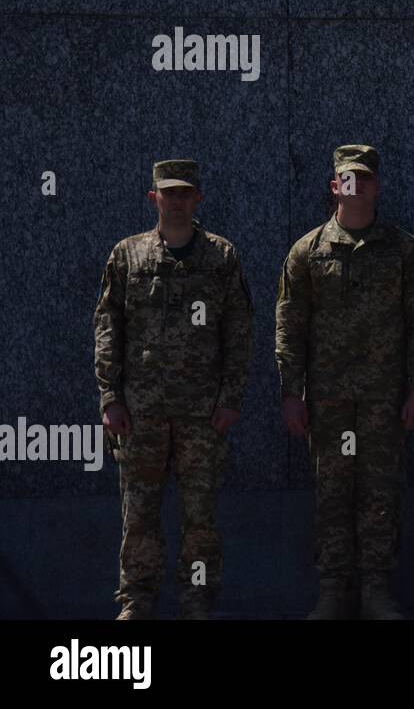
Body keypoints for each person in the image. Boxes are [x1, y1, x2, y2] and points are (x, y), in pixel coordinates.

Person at [275, 145, 414, 619]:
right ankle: (331, 591)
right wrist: (291, 392)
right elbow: (290, 325)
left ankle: (376, 591)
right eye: (349, 178)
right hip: (326, 401)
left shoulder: (403, 249)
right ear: (334, 186)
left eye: (366, 178)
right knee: (331, 493)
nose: (357, 185)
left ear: (377, 187)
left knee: (381, 495)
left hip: (384, 401)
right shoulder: (308, 251)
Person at [94, 159, 252, 619]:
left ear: (198, 198)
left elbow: (239, 333)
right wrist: (110, 397)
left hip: (203, 415)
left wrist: (230, 399)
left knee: (200, 519)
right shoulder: (128, 256)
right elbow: (108, 329)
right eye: (169, 193)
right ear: (153, 198)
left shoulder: (221, 258)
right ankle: (136, 602)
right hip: (141, 412)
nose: (178, 201)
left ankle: (197, 599)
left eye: (186, 193)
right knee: (139, 515)